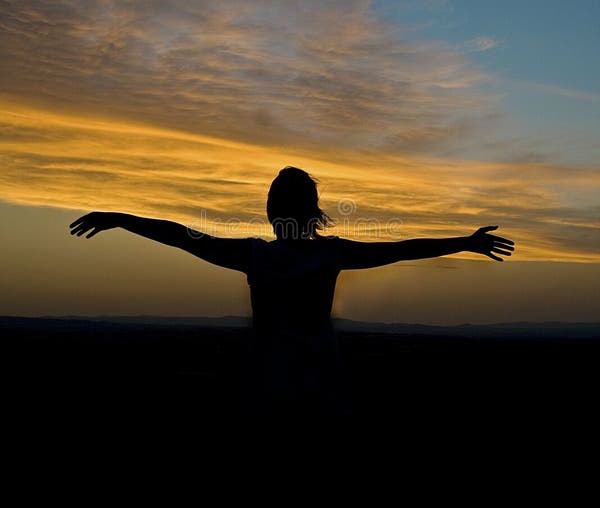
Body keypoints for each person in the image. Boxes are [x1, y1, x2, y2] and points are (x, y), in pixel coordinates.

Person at [69, 165, 515, 418]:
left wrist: (120, 218)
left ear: (271, 211)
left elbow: (182, 237)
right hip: (321, 386)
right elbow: (401, 249)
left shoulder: (256, 256)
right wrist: (465, 242)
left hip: (272, 387)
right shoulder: (330, 254)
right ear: (313, 212)